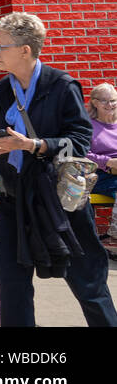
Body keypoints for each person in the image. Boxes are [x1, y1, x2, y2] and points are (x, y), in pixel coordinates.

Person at [0, 12, 117, 326]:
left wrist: (34, 146)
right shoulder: (0, 91)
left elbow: (80, 141)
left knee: (88, 282)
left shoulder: (61, 86)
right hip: (13, 199)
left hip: (58, 201)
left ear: (24, 50)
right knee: (13, 289)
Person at [86, 83, 117, 256]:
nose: (110, 104)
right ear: (95, 103)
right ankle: (114, 236)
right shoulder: (89, 126)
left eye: (113, 100)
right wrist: (109, 162)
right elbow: (83, 154)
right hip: (102, 175)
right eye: (104, 100)